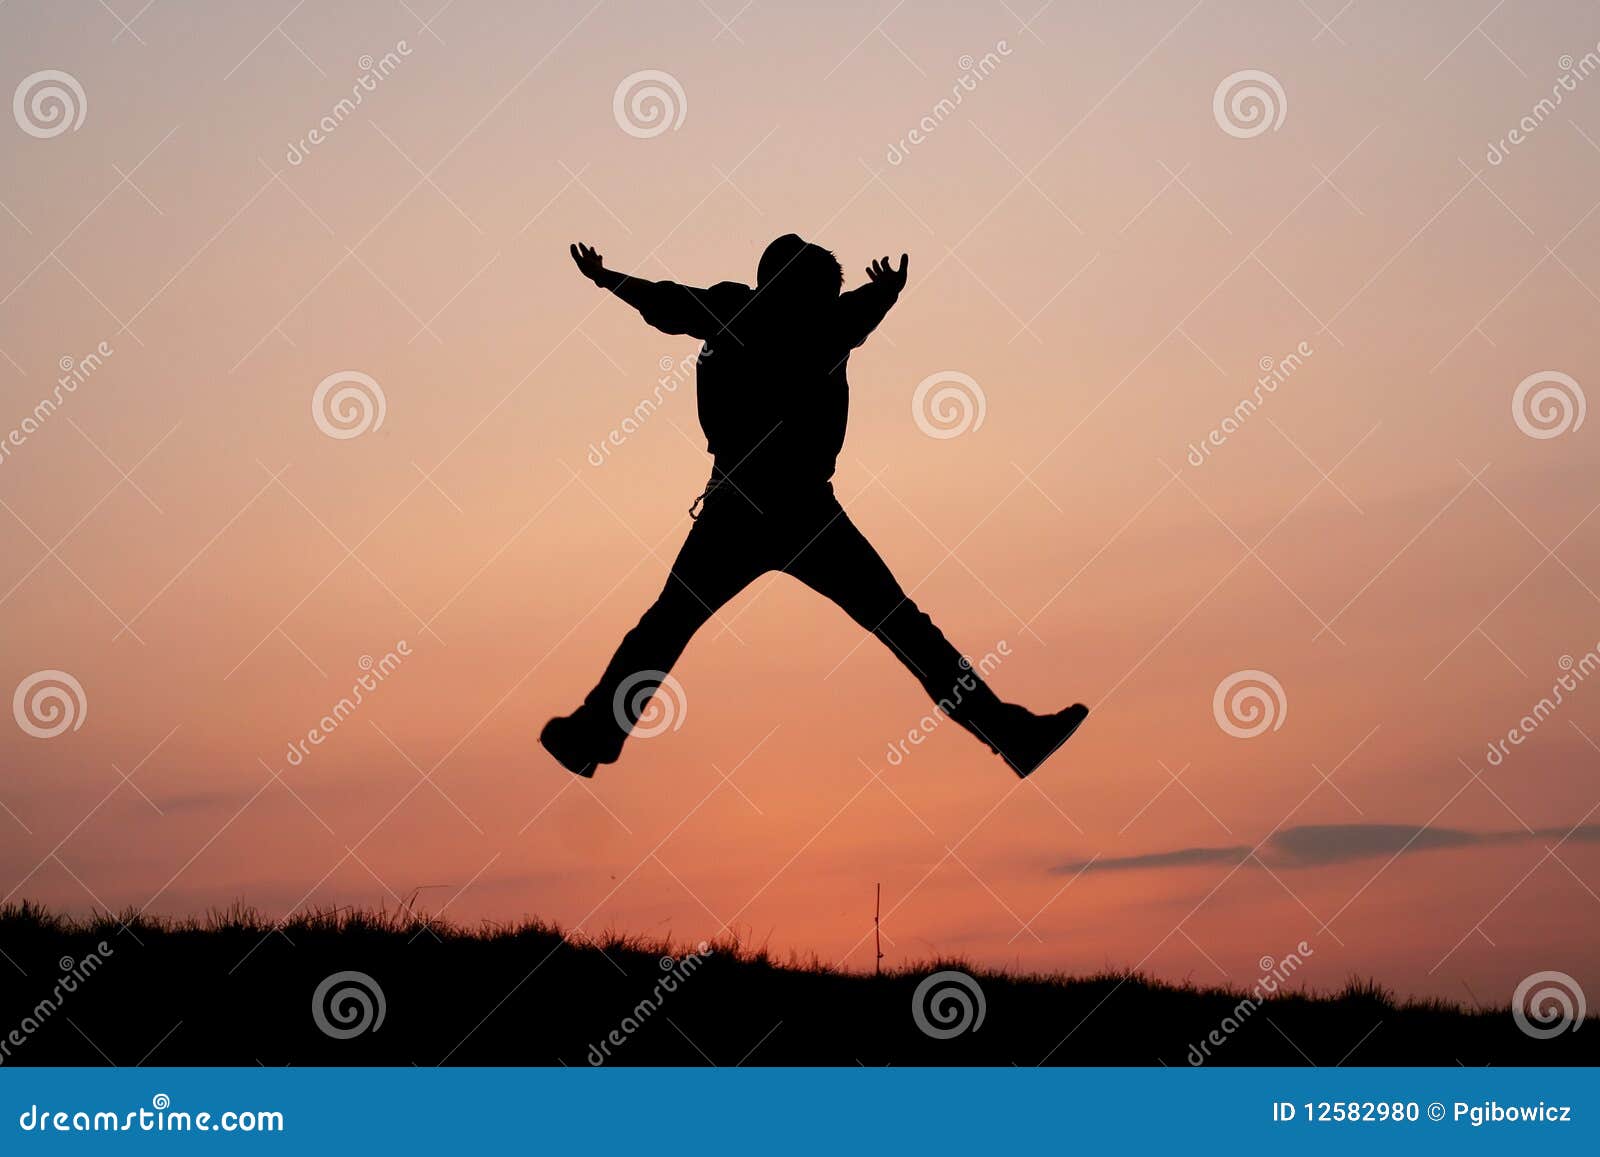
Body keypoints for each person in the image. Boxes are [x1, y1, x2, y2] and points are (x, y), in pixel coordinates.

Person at [540, 235, 1087, 779]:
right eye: (823, 290)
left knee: (666, 627)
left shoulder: (740, 311)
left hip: (752, 509)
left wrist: (609, 279)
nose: (828, 300)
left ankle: (592, 736)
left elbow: (668, 302)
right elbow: (682, 304)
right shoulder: (814, 323)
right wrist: (886, 292)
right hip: (793, 512)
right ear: (799, 288)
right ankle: (1011, 735)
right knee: (903, 628)